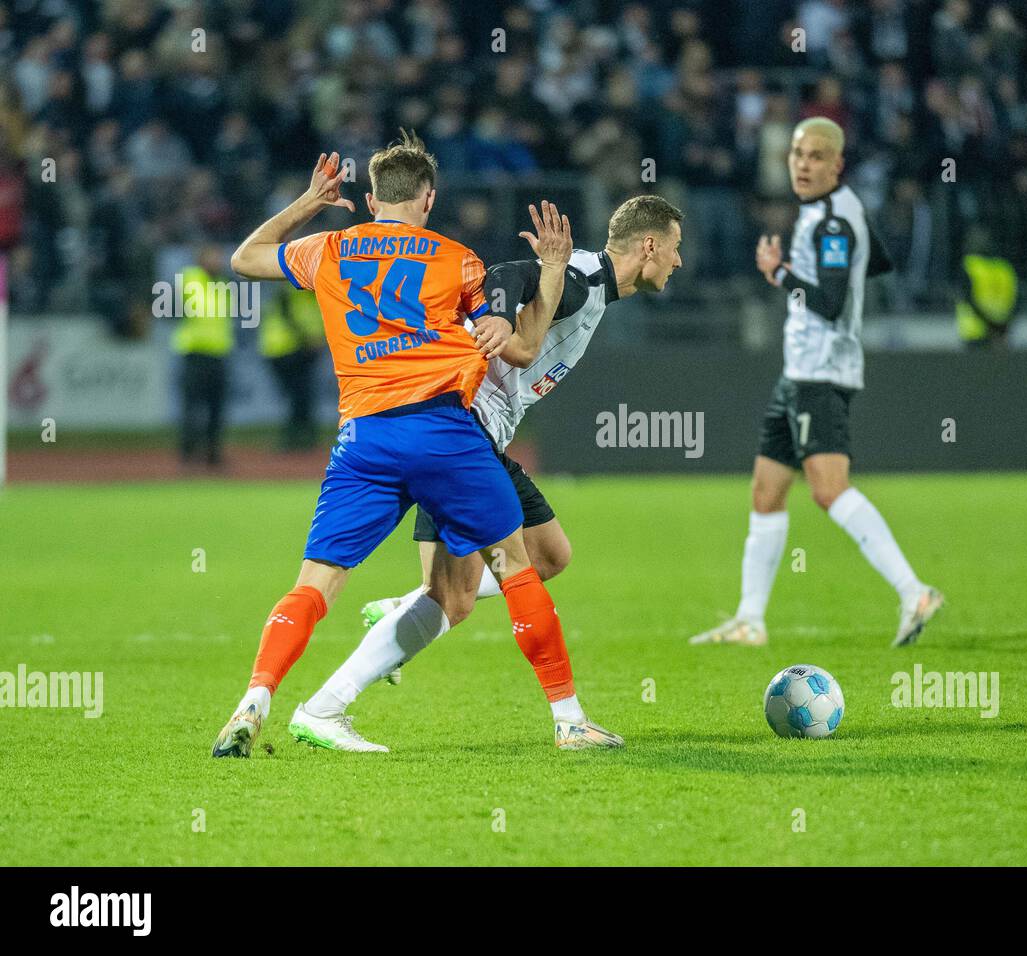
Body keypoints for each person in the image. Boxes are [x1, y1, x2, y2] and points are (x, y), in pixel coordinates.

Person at [211, 131, 621, 757]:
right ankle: (569, 721)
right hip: (442, 433)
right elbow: (525, 348)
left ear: (372, 199)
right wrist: (554, 269)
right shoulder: (458, 261)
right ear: (428, 199)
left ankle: (254, 699)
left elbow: (245, 257)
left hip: (362, 440)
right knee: (515, 565)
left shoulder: (329, 249)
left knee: (315, 584)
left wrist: (310, 201)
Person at [291, 194, 684, 751]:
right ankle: (566, 721)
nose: (678, 261)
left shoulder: (592, 288)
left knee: (547, 557)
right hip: (460, 434)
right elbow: (508, 273)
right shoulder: (583, 279)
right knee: (460, 594)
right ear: (649, 246)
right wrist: (498, 312)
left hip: (475, 433)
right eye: (674, 248)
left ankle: (385, 631)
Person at [686, 117, 943, 649]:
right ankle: (750, 620)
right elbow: (881, 260)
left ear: (837, 164)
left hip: (822, 370)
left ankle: (913, 590)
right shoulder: (842, 211)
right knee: (767, 490)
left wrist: (780, 274)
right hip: (800, 370)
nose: (803, 164)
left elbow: (827, 304)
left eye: (816, 156)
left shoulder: (829, 223)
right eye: (798, 153)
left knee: (827, 491)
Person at [173, 244, 234, 469]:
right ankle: (187, 456)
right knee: (192, 408)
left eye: (218, 256)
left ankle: (213, 456)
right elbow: (172, 306)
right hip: (195, 353)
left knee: (217, 409)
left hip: (219, 353)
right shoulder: (189, 279)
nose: (217, 261)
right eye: (212, 256)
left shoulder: (224, 283)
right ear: (201, 259)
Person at [259, 285, 326, 449]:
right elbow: (288, 316)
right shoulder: (292, 290)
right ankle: (297, 437)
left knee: (302, 395)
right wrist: (308, 339)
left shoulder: (314, 295)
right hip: (285, 349)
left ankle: (301, 437)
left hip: (298, 350)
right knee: (300, 394)